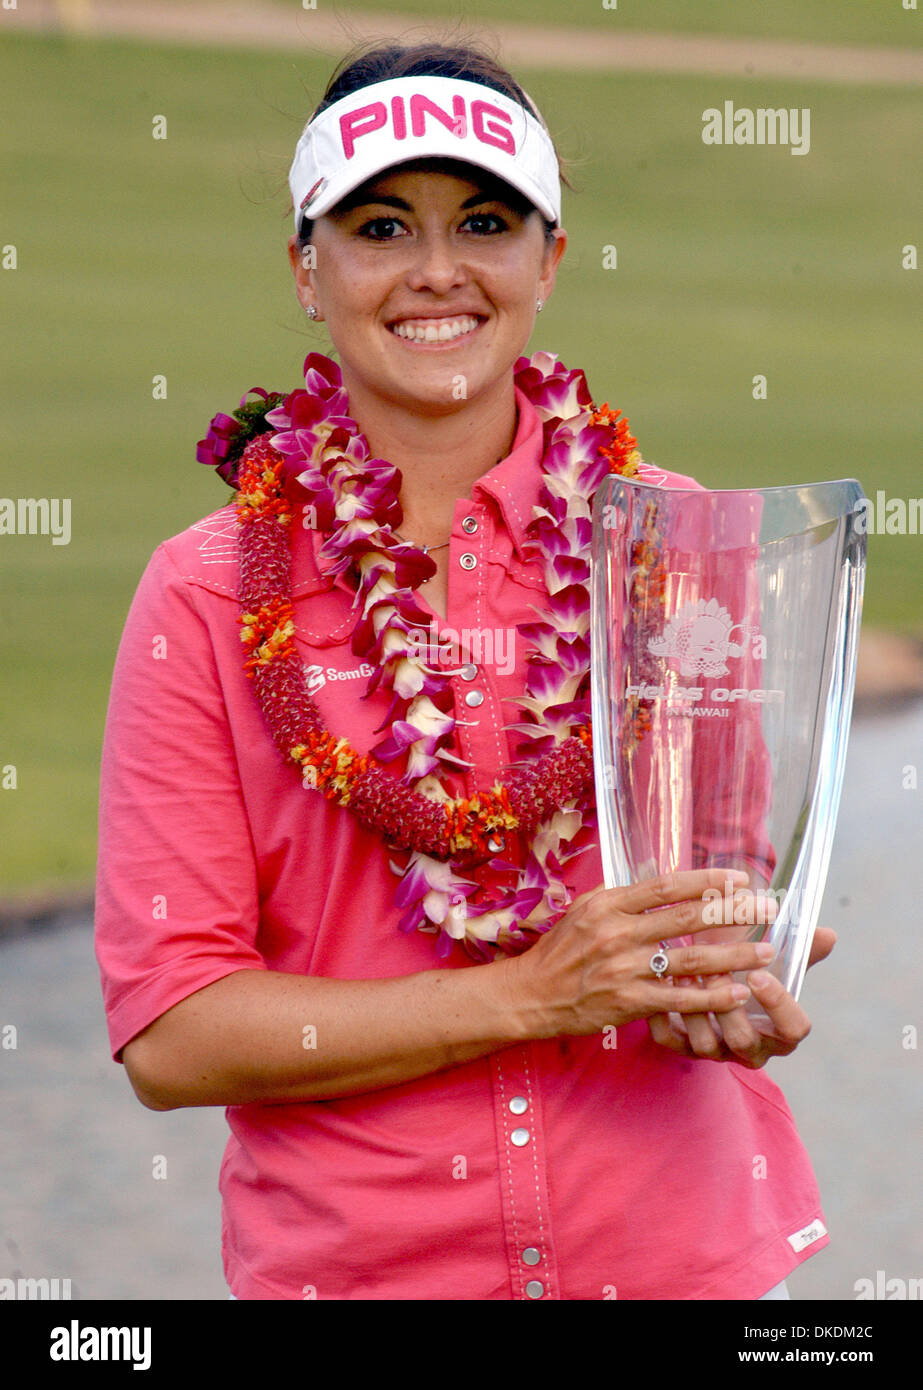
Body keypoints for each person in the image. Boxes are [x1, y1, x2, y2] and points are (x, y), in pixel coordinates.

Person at [95, 39, 835, 1302]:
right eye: (380, 226)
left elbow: (706, 892)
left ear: (547, 258)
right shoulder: (206, 590)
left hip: (676, 1267)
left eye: (483, 222)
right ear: (304, 266)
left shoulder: (676, 543)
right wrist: (534, 994)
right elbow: (172, 1034)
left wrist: (725, 983)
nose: (437, 272)